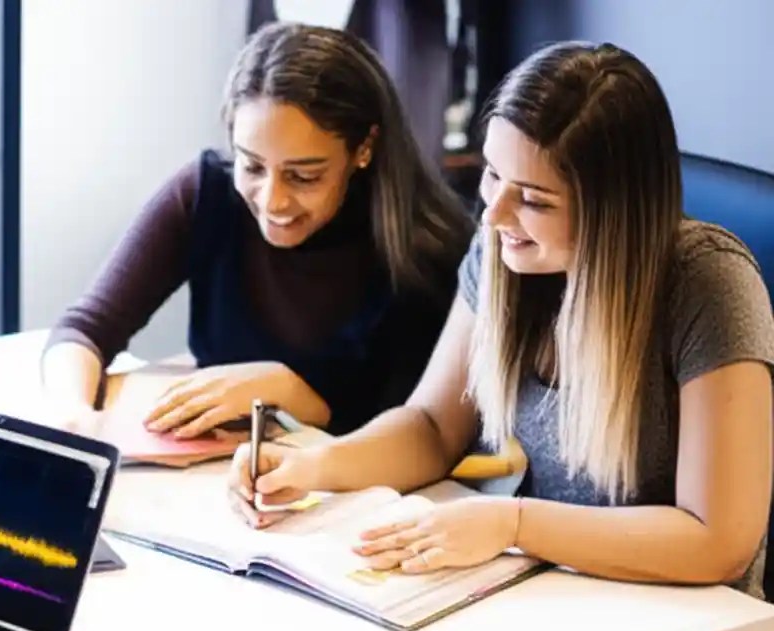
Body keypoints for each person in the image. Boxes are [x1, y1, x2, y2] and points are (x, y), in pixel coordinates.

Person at [231, 41, 774, 599]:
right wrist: (315, 466)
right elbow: (433, 428)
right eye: (493, 174)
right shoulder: (503, 249)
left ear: (612, 210)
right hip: (550, 586)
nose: (493, 213)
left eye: (535, 199)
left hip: (689, 619)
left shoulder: (709, 283)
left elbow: (718, 540)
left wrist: (513, 525)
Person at [42, 22, 474, 438]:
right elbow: (84, 329)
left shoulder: (425, 249)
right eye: (251, 165)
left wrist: (290, 395)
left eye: (303, 176)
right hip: (210, 482)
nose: (271, 201)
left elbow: (428, 434)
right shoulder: (203, 195)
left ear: (363, 148)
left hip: (358, 496)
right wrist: (74, 417)